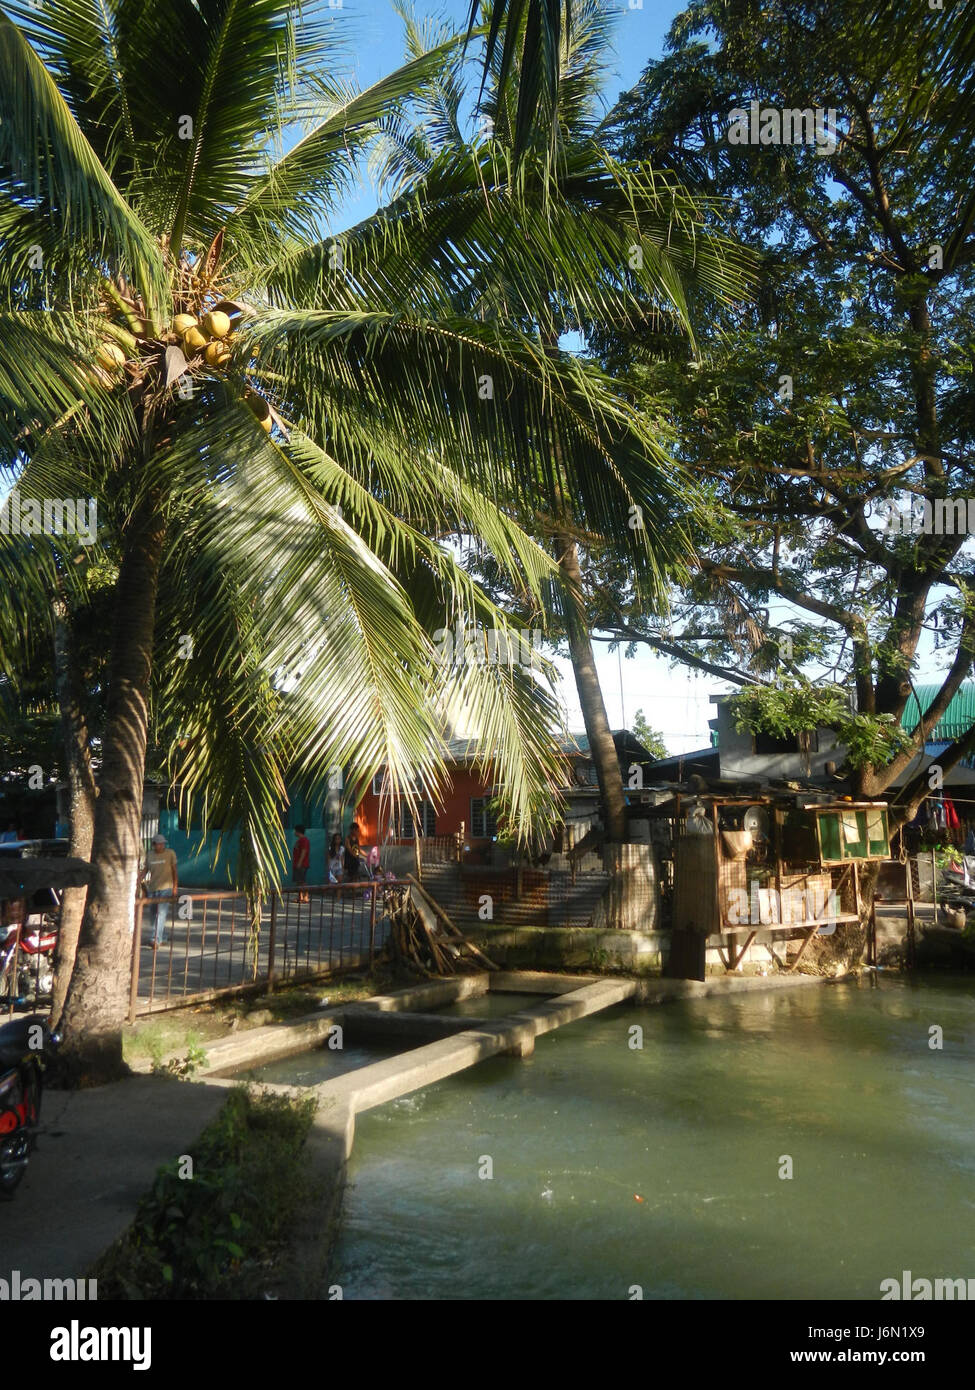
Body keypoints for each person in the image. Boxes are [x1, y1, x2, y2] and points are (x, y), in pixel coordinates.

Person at [142, 833, 178, 948]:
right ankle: (163, 936)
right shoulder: (150, 855)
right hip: (153, 888)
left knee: (161, 913)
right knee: (153, 914)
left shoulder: (170, 853)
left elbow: (174, 871)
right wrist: (137, 881)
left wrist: (175, 888)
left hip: (166, 888)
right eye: (159, 844)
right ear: (154, 845)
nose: (161, 846)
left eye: (163, 844)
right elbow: (145, 870)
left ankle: (155, 939)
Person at [292, 824, 311, 902]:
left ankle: (306, 896)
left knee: (302, 881)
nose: (294, 832)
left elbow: (304, 851)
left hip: (302, 864)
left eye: (295, 831)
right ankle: (300, 897)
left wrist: (299, 862)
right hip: (297, 863)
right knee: (298, 881)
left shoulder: (304, 840)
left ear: (298, 831)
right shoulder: (299, 840)